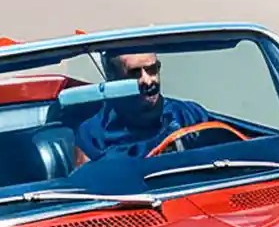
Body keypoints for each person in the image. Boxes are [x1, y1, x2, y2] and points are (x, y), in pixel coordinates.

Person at [73, 51, 212, 161]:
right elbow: (86, 192)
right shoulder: (93, 135)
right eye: (134, 73)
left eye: (152, 70)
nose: (147, 80)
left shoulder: (189, 115)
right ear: (113, 77)